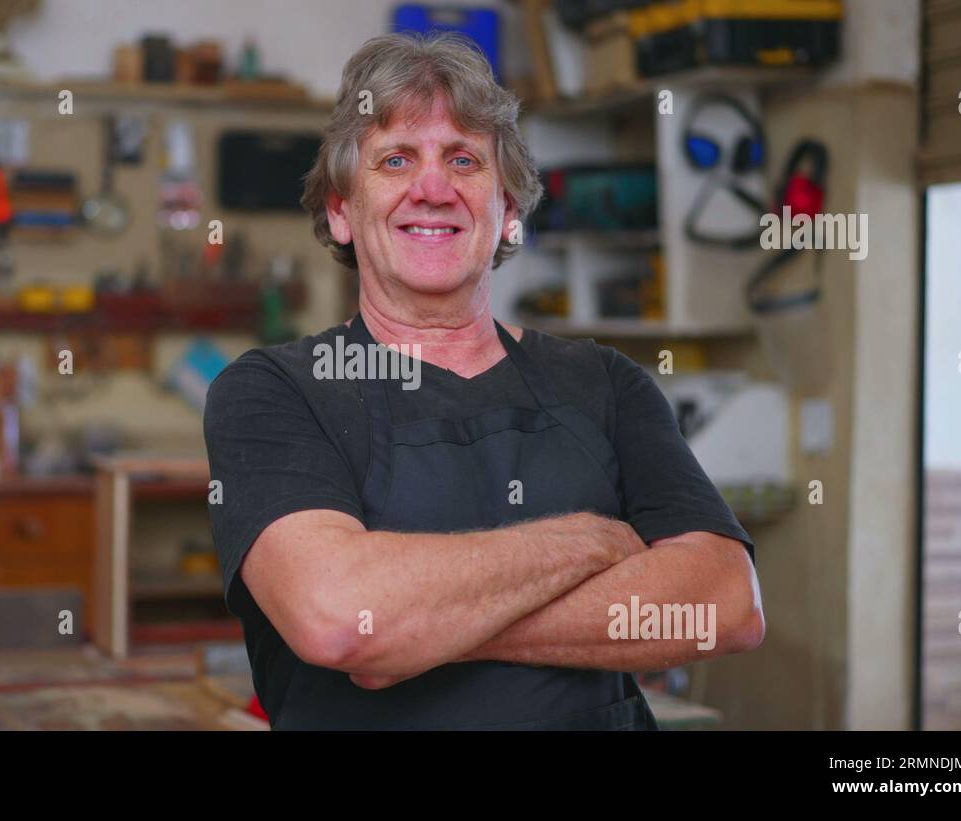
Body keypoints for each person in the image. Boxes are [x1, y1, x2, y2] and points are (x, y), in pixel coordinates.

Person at [204, 31, 764, 730]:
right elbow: (344, 621)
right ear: (342, 211)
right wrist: (592, 542)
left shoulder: (604, 383)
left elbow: (728, 603)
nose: (432, 188)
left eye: (464, 159)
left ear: (509, 211)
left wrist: (422, 628)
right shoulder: (274, 391)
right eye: (396, 159)